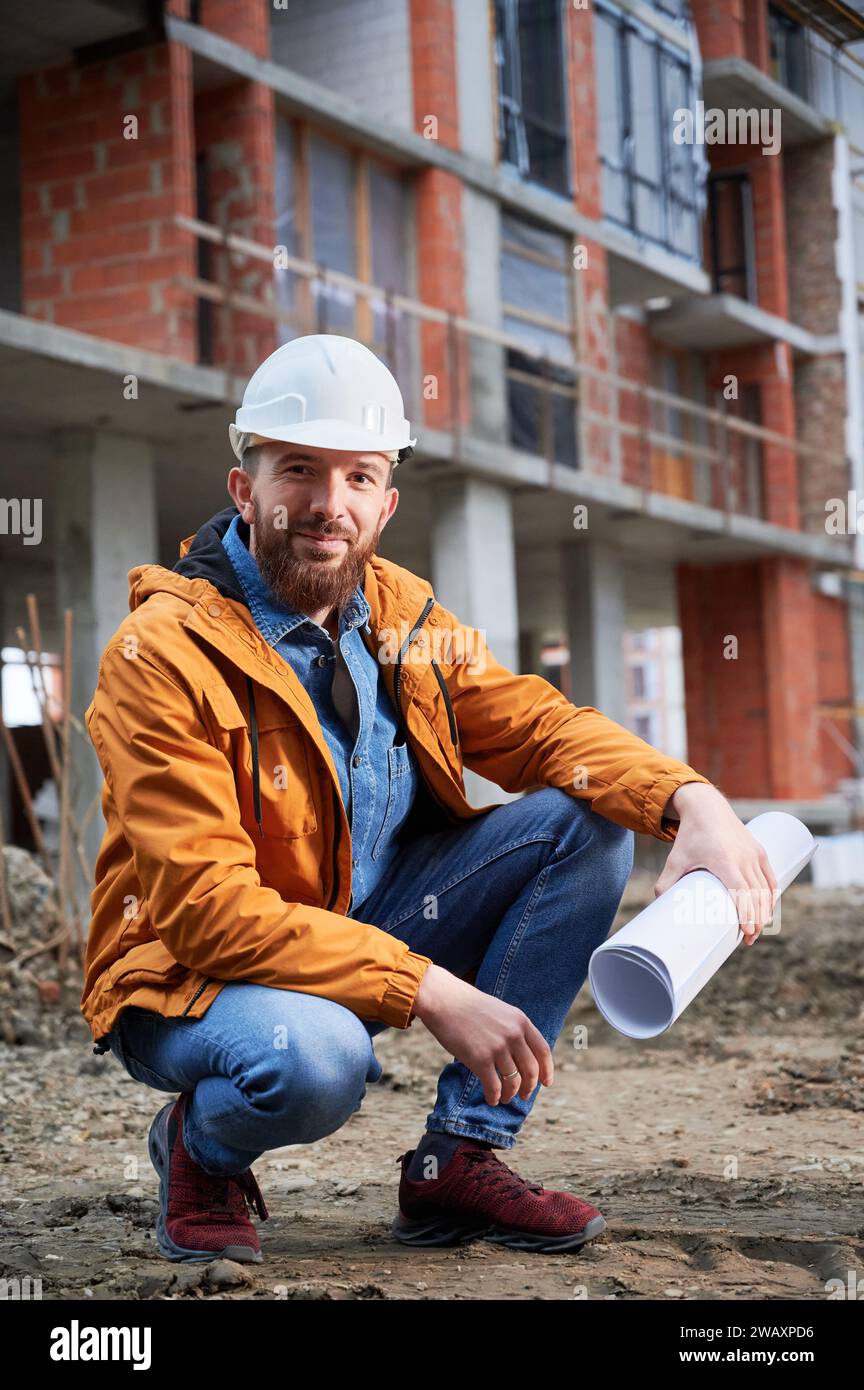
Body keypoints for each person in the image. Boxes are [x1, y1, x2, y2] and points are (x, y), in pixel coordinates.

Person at [81, 334, 778, 1264]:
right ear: (245, 489)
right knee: (317, 1062)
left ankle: (459, 1160)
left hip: (364, 924)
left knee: (584, 824)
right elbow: (206, 912)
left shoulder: (404, 619)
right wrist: (428, 988)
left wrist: (692, 800)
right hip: (198, 979)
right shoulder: (159, 653)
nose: (330, 506)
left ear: (387, 501)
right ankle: (200, 1153)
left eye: (359, 478)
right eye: (300, 471)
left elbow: (538, 728)